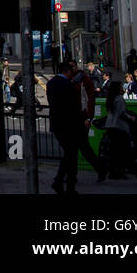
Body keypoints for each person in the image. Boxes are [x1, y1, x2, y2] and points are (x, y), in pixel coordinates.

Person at [48, 60, 97, 194]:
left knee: (69, 154)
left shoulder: (50, 83)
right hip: (70, 125)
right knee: (71, 154)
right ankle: (66, 184)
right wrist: (83, 120)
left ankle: (61, 181)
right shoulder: (68, 86)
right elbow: (73, 107)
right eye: (71, 72)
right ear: (68, 71)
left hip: (57, 124)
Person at [99, 79, 137, 181]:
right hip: (119, 127)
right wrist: (131, 118)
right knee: (121, 151)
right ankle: (118, 171)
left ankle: (112, 171)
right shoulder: (120, 99)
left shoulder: (111, 99)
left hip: (111, 126)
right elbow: (122, 113)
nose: (123, 89)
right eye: (121, 87)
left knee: (113, 151)